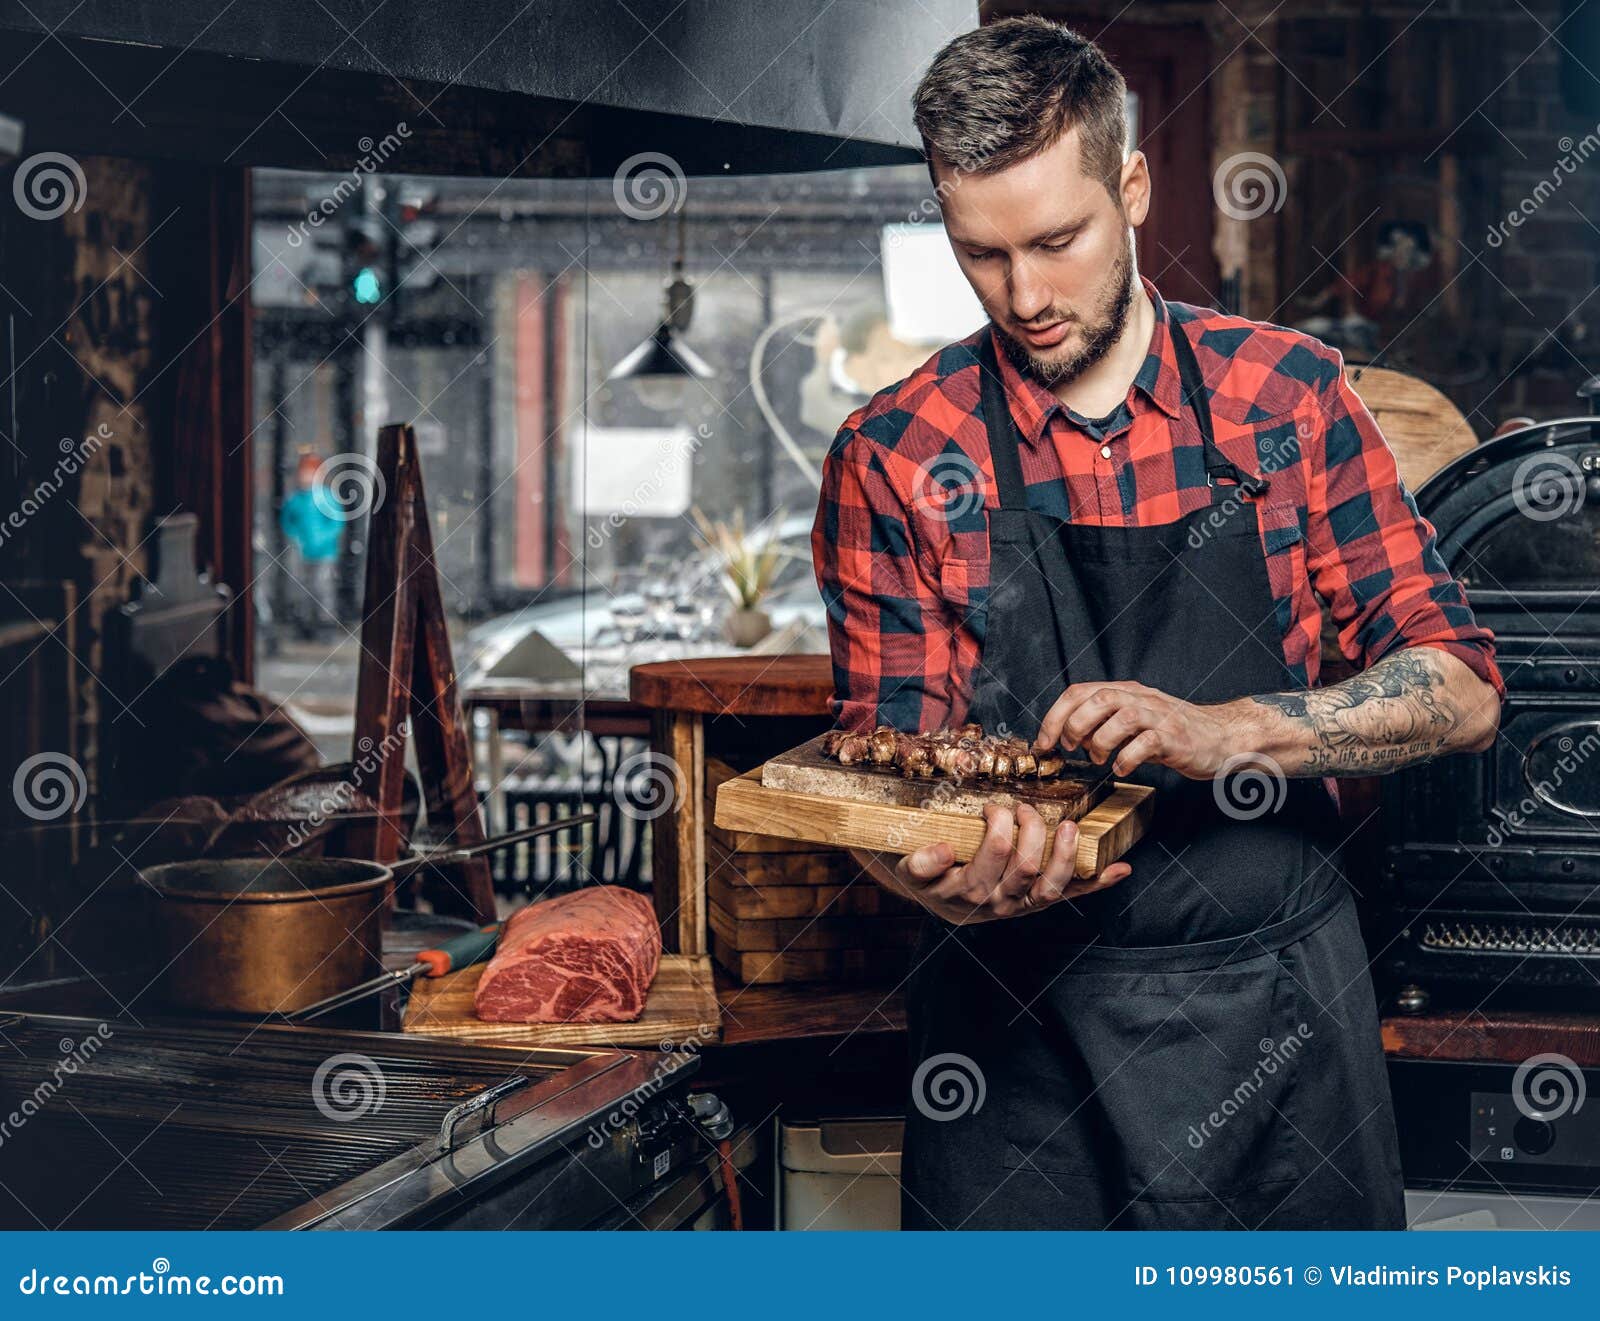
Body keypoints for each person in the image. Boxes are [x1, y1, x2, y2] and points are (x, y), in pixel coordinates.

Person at [810, 17, 1503, 1231]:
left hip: (1274, 1021)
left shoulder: (1285, 397)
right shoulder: (897, 453)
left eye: (1057, 241)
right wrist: (933, 879)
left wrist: (1222, 728)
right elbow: (882, 774)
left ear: (1130, 186)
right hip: (1015, 1048)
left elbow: (1458, 686)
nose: (1025, 296)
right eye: (982, 255)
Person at [278, 450, 343, 639]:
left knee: (323, 587)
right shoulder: (295, 500)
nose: (305, 477)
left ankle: (325, 623)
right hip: (302, 553)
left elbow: (336, 522)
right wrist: (295, 537)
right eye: (303, 473)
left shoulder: (327, 498)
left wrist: (324, 538)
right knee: (303, 588)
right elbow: (287, 521)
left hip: (325, 553)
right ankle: (305, 622)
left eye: (310, 473)